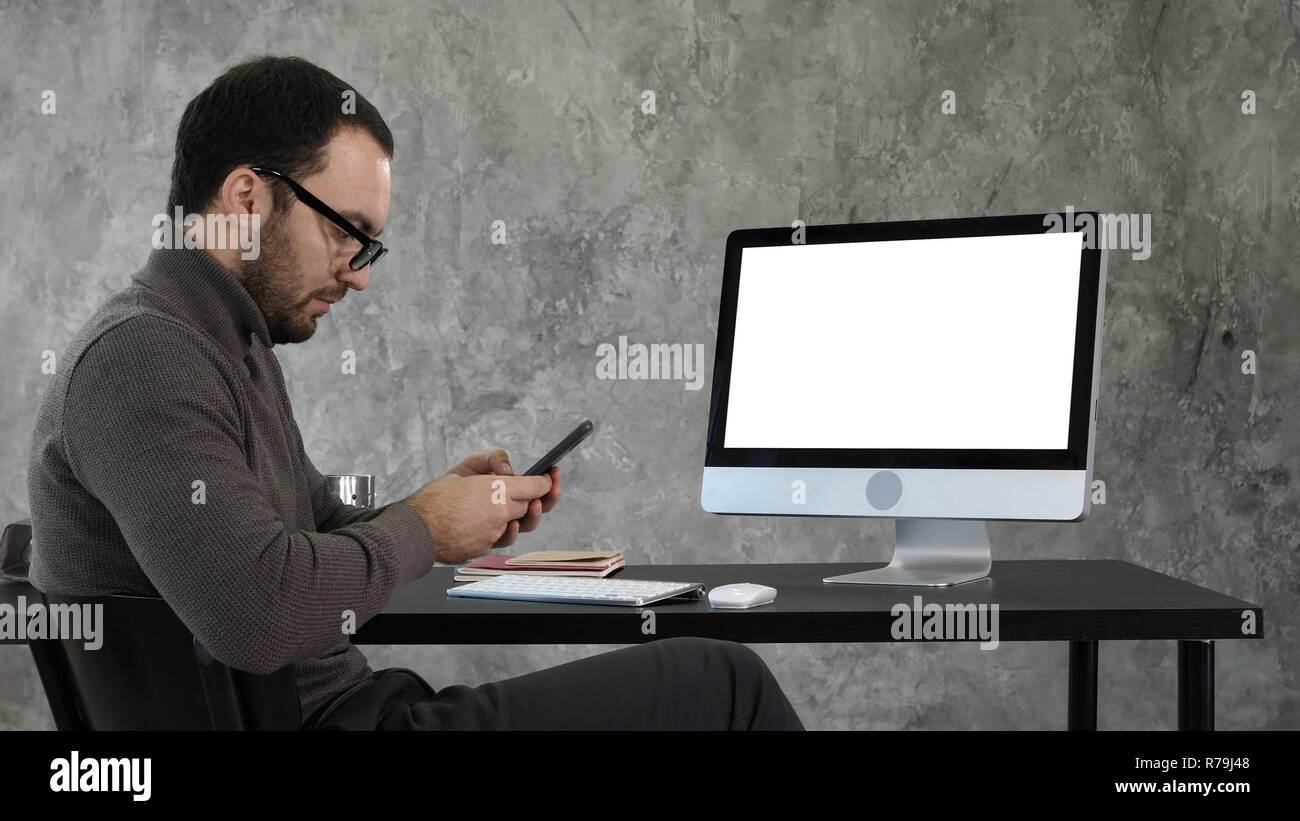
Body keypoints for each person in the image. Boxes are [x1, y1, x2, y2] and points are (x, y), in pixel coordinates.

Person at [26, 55, 804, 731]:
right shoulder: (141, 358)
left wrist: (446, 509)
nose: (360, 271)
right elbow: (259, 612)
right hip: (330, 725)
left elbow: (311, 530)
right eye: (345, 231)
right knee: (721, 681)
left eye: (370, 245)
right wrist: (425, 529)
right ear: (247, 198)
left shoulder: (222, 342)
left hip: (355, 710)